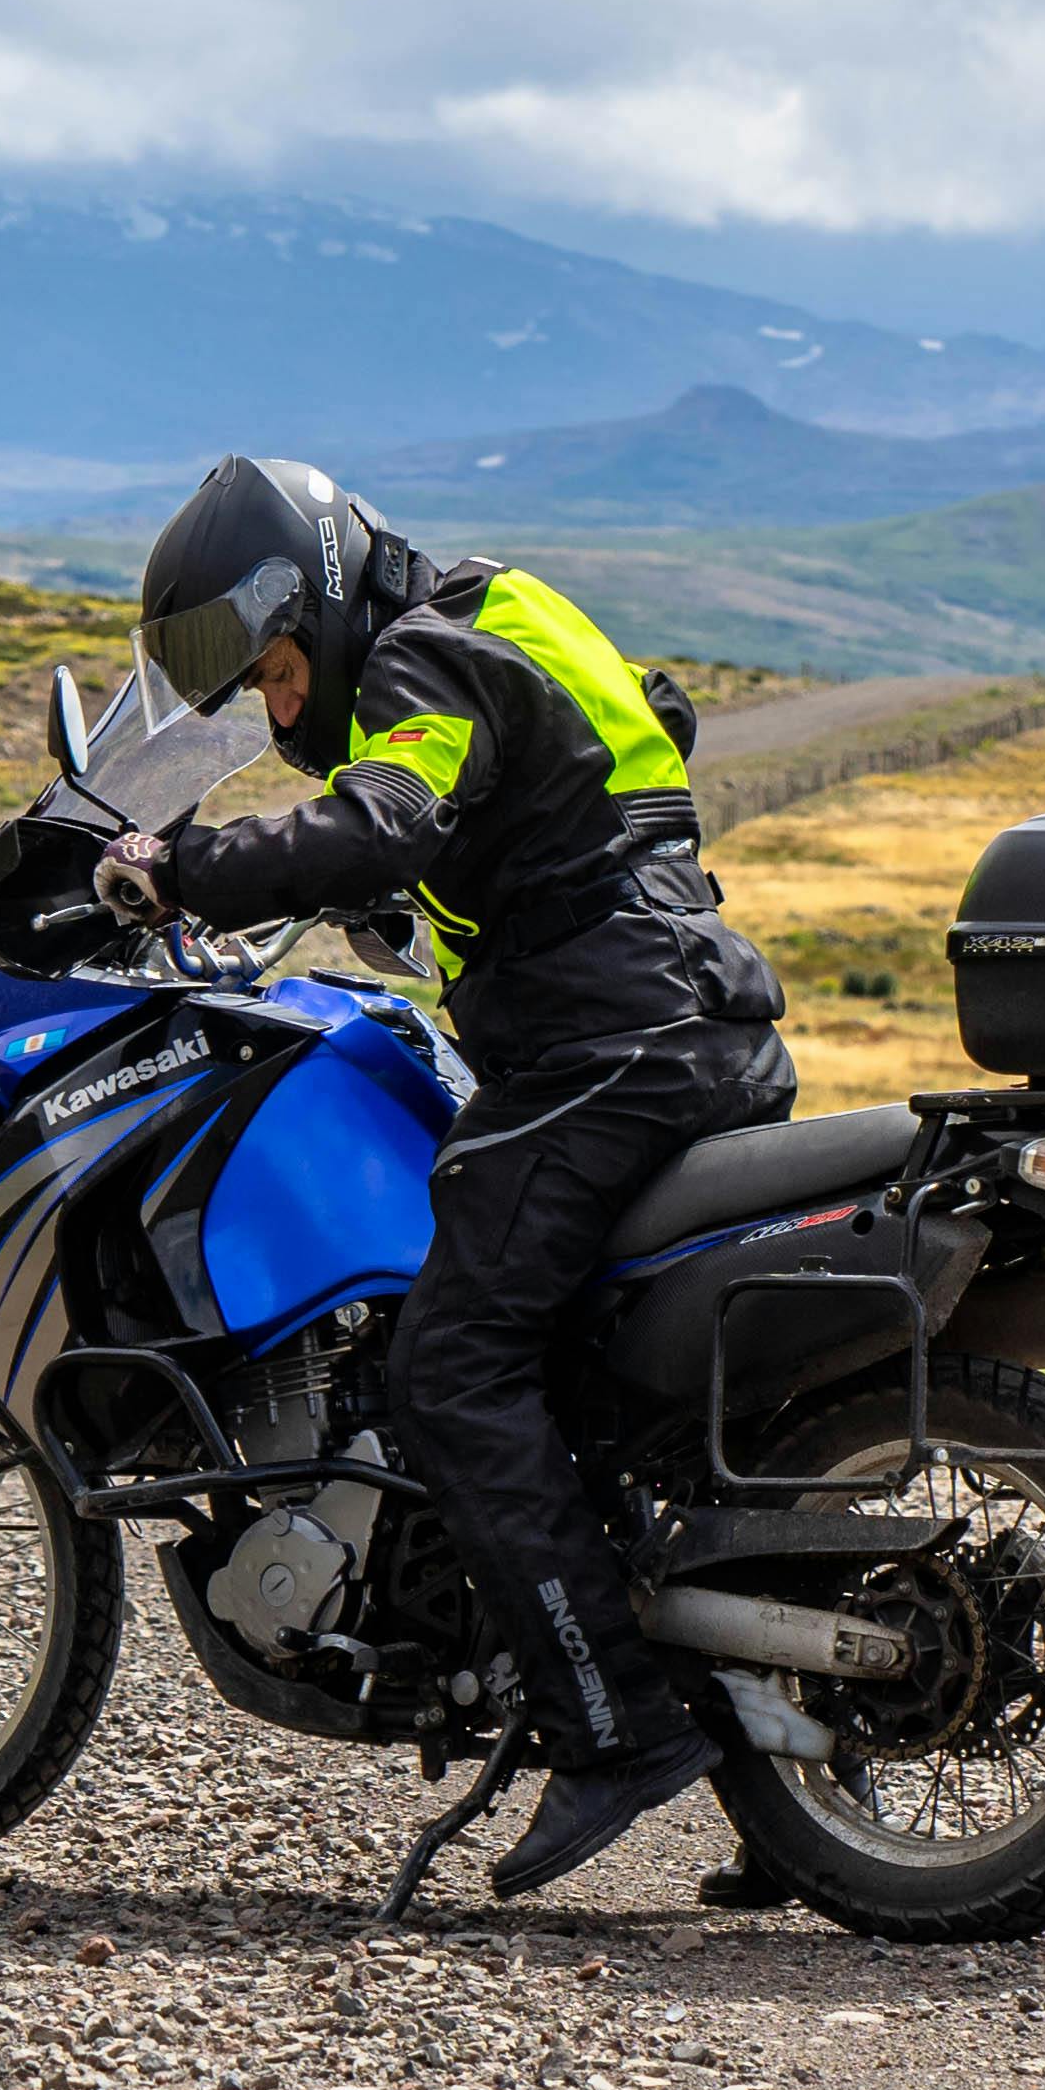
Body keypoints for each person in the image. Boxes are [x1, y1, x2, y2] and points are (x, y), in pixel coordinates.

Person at [92, 452, 790, 1898]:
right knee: (623, 1405)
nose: (281, 712)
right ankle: (792, 1790)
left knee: (455, 1369)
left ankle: (614, 1734)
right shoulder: (504, 616)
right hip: (686, 1012)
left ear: (321, 603)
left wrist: (194, 868)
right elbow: (575, 784)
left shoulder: (421, 661)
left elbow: (390, 812)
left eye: (279, 675)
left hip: (610, 1047)